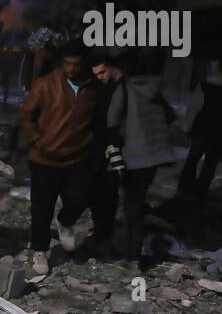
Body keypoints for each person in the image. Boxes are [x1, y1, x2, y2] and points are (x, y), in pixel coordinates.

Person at [17, 40, 99, 275]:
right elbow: (26, 115)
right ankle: (40, 250)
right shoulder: (45, 85)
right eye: (68, 64)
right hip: (44, 159)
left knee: (80, 198)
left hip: (77, 157)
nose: (71, 69)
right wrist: (38, 141)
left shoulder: (91, 87)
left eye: (76, 64)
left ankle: (65, 221)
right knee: (41, 208)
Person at [107, 53, 177, 270]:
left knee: (131, 208)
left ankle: (132, 258)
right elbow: (170, 117)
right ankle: (134, 257)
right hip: (152, 158)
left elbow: (111, 120)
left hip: (131, 158)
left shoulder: (125, 89)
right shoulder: (156, 91)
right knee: (137, 205)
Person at [178, 59, 222, 200]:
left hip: (202, 126)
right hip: (221, 130)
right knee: (210, 163)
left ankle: (184, 188)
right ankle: (201, 191)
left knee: (193, 158)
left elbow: (194, 108)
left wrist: (186, 126)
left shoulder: (206, 85)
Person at [85, 59, 123, 255]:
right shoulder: (104, 87)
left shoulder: (121, 87)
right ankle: (102, 231)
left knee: (109, 192)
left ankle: (104, 232)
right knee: (99, 191)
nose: (99, 77)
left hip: (114, 146)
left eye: (102, 72)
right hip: (100, 147)